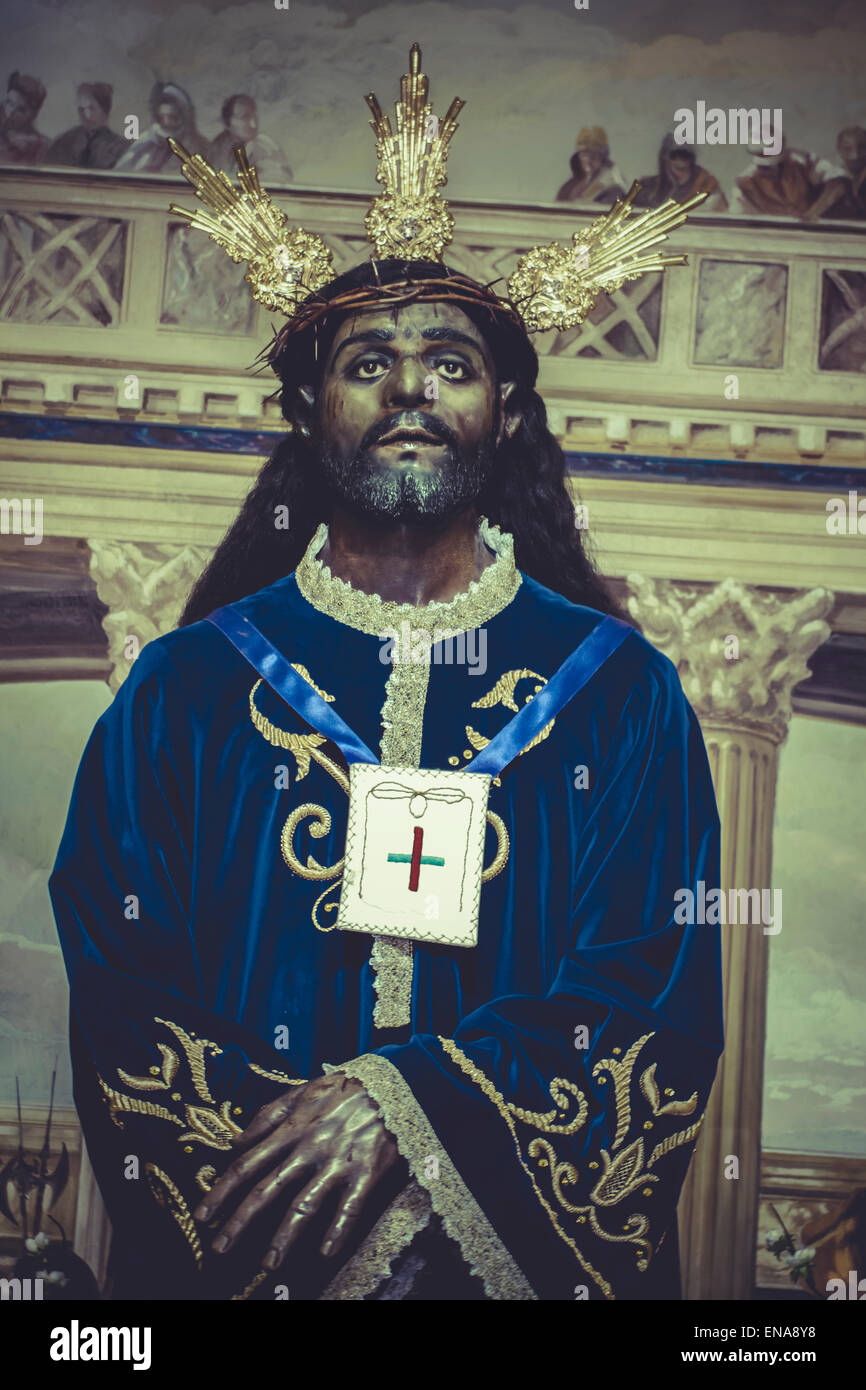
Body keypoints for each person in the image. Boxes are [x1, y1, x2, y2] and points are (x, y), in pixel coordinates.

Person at [50, 255, 723, 1302]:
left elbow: (648, 992)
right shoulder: (185, 690)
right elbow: (123, 986)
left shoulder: (617, 695)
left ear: (505, 414)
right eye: (368, 362)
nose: (409, 388)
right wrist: (297, 1168)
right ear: (306, 409)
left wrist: (404, 1105)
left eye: (450, 363)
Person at [731, 132, 839, 218]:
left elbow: (839, 182)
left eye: (780, 166)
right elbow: (737, 220)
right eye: (765, 168)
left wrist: (813, 214)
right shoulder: (745, 184)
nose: (773, 172)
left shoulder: (803, 161)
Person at [114, 81, 207, 174]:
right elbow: (122, 170)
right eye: (162, 117)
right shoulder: (146, 141)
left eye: (171, 117)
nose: (166, 122)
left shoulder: (196, 145)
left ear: (182, 116)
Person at [208, 94, 294, 184]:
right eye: (245, 117)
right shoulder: (218, 145)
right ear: (227, 122)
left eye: (254, 116)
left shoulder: (265, 147)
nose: (253, 124)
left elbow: (279, 180)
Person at [43, 83, 126, 170]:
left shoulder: (118, 147)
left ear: (105, 110)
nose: (86, 115)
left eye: (91, 108)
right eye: (81, 109)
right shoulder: (65, 141)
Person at [635, 133, 727, 211]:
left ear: (692, 158)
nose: (680, 161)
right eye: (674, 155)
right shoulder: (647, 188)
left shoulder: (707, 187)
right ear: (664, 157)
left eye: (685, 155)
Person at [804, 126, 866, 222]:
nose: (855, 155)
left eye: (862, 148)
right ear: (839, 150)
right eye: (847, 149)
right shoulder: (832, 175)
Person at [555, 126, 626, 205]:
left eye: (594, 153)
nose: (588, 159)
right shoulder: (569, 186)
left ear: (602, 157)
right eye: (584, 153)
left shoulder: (612, 187)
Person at [0, 71, 50, 165]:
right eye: (9, 103)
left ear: (33, 115)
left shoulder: (42, 147)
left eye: (20, 109)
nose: (11, 112)